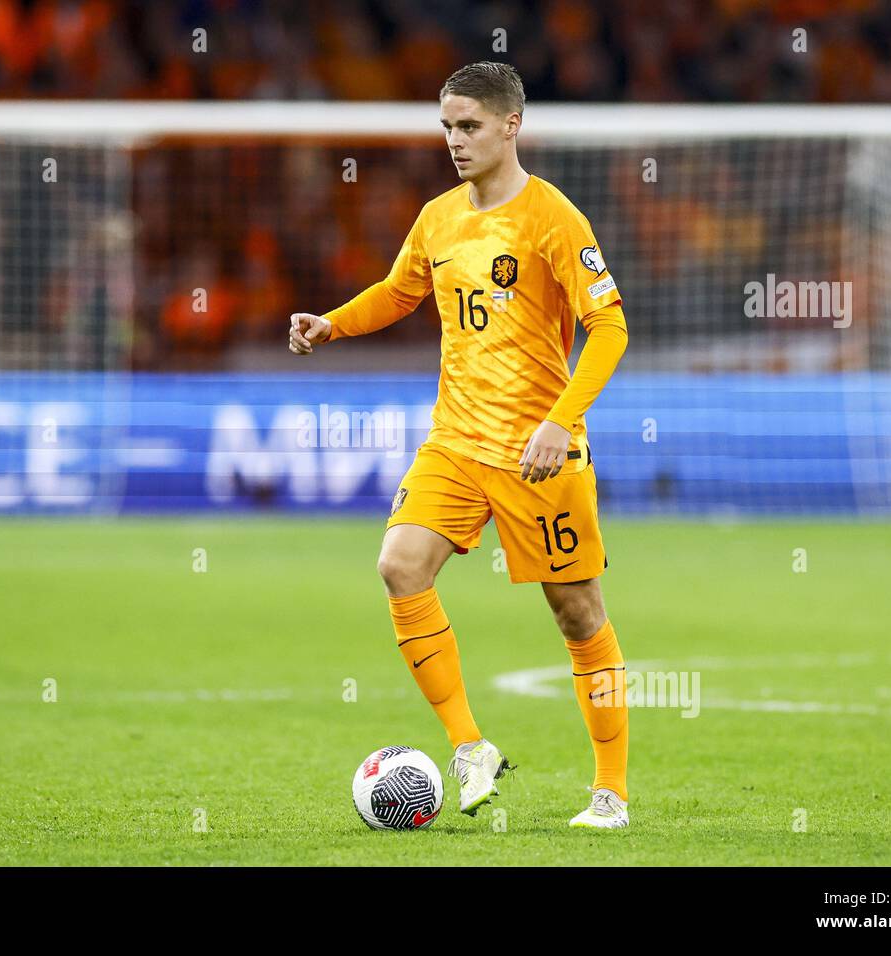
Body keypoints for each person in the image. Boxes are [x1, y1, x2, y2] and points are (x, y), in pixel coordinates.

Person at [288, 62, 631, 828]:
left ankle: (610, 791)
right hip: (455, 442)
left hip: (538, 452)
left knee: (578, 614)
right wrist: (332, 322)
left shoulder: (554, 219)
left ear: (511, 125)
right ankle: (469, 745)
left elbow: (610, 328)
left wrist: (559, 420)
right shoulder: (439, 217)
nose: (454, 139)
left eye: (468, 125)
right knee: (399, 564)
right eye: (446, 125)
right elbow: (398, 291)